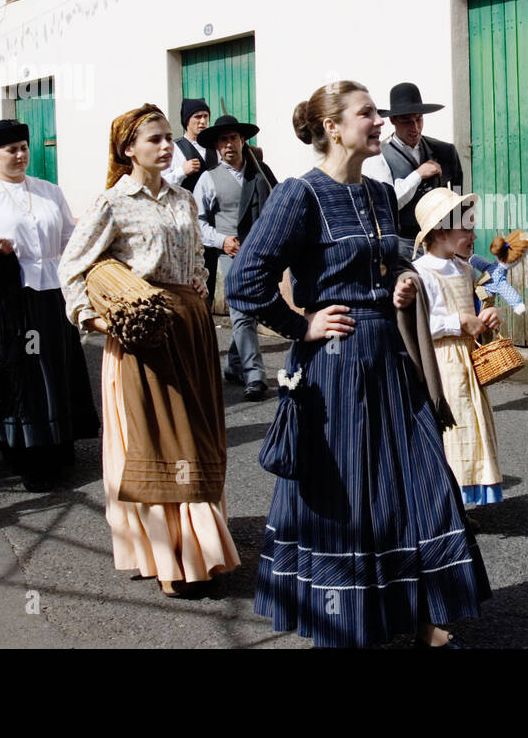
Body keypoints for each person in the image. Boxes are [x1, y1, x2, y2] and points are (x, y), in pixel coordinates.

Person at [226, 80, 490, 648]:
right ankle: (346, 619)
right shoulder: (299, 194)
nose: (379, 122)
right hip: (335, 369)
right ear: (332, 127)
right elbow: (243, 280)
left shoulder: (375, 193)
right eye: (367, 113)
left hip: (389, 359)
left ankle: (424, 611)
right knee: (349, 495)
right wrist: (302, 324)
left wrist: (398, 283)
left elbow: (386, 263)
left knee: (420, 478)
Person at [60, 104, 239, 596]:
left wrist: (200, 290)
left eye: (167, 138)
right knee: (161, 442)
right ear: (127, 148)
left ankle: (196, 545)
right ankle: (172, 557)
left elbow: (196, 265)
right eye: (154, 139)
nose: (166, 147)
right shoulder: (111, 204)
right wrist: (96, 318)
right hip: (143, 336)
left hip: (192, 333)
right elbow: (72, 267)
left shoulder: (183, 200)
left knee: (199, 435)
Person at [0, 120, 98, 490]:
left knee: (55, 368)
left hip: (50, 297)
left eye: (24, 148)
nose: (20, 155)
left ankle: (58, 443)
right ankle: (28, 452)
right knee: (26, 372)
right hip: (10, 301)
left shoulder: (49, 191)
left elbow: (69, 241)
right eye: (11, 149)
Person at [412, 187, 507, 509]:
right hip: (442, 363)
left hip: (467, 359)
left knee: (472, 426)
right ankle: (442, 504)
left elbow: (473, 313)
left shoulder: (464, 269)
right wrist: (459, 322)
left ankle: (459, 504)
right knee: (449, 431)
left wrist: (485, 318)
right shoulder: (422, 273)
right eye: (465, 228)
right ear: (440, 231)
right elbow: (422, 324)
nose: (473, 235)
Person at [193, 113, 275, 401]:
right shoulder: (208, 179)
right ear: (217, 146)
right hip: (231, 253)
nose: (229, 144)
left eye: (233, 138)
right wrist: (221, 240)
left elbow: (276, 207)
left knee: (253, 312)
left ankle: (234, 365)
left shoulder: (260, 172)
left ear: (243, 141)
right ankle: (255, 376)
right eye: (223, 140)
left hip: (260, 254)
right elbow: (198, 222)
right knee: (241, 313)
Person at [362, 82, 464, 259]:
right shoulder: (379, 156)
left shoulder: (445, 151)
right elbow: (387, 204)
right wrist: (417, 175)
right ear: (393, 120)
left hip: (442, 243)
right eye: (407, 121)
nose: (415, 127)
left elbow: (459, 197)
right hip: (404, 247)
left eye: (418, 119)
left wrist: (460, 241)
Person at [161, 97, 220, 301]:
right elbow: (160, 184)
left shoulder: (215, 149)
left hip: (212, 223)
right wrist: (181, 171)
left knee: (208, 275)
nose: (203, 122)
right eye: (198, 117)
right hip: (184, 222)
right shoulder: (175, 149)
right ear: (187, 120)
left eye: (206, 117)